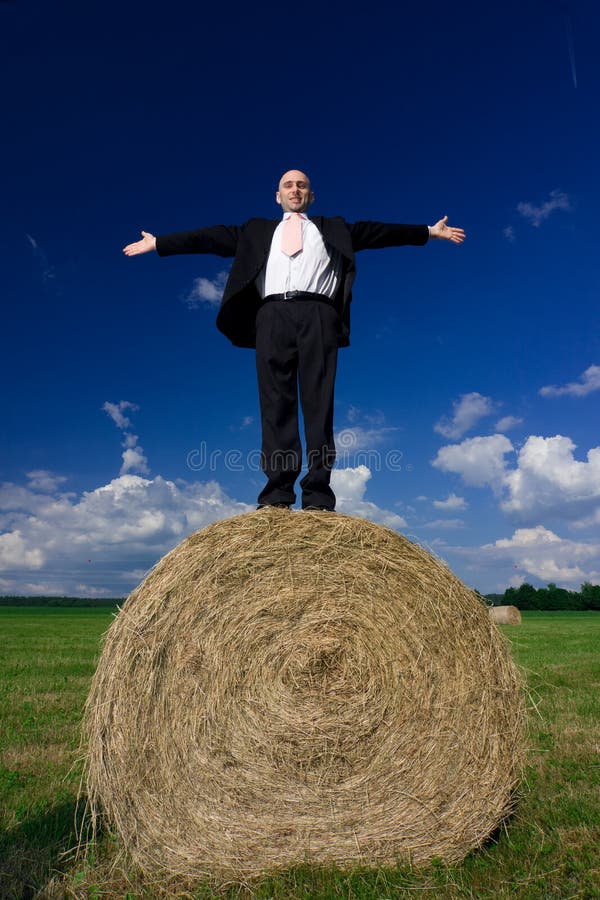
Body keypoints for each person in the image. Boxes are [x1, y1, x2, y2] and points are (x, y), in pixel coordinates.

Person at [123, 170, 465, 512]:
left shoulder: (334, 228)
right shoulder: (254, 231)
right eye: (288, 185)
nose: (295, 189)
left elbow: (380, 232)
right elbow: (208, 238)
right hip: (271, 314)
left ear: (311, 195)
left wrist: (428, 232)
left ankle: (317, 494)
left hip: (319, 313)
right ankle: (277, 493)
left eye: (302, 185)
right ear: (278, 196)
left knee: (319, 402)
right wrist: (159, 244)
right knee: (275, 404)